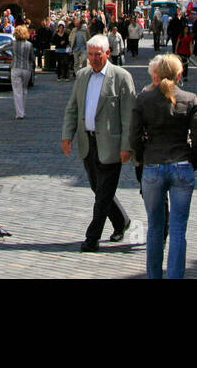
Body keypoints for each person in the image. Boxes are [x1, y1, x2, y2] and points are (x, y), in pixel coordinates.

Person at [130, 54, 197, 279]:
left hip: (153, 165)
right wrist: (194, 160)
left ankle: (154, 275)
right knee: (178, 229)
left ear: (156, 74)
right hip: (181, 163)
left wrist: (144, 158)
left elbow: (134, 137)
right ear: (179, 74)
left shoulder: (143, 99)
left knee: (154, 227)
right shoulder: (189, 98)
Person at [61, 35, 136, 252]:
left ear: (108, 53)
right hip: (88, 142)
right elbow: (72, 108)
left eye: (98, 55)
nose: (93, 59)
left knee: (103, 194)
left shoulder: (122, 77)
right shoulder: (82, 75)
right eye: (90, 55)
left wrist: (126, 146)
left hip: (111, 145)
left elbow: (128, 116)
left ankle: (92, 238)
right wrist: (67, 135)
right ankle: (121, 221)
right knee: (98, 188)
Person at [9, 25, 34, 119]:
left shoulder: (13, 43)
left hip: (15, 68)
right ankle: (22, 110)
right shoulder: (29, 44)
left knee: (17, 91)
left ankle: (19, 113)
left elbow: (0, 49)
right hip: (26, 69)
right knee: (24, 90)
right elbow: (32, 58)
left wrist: (9, 56)